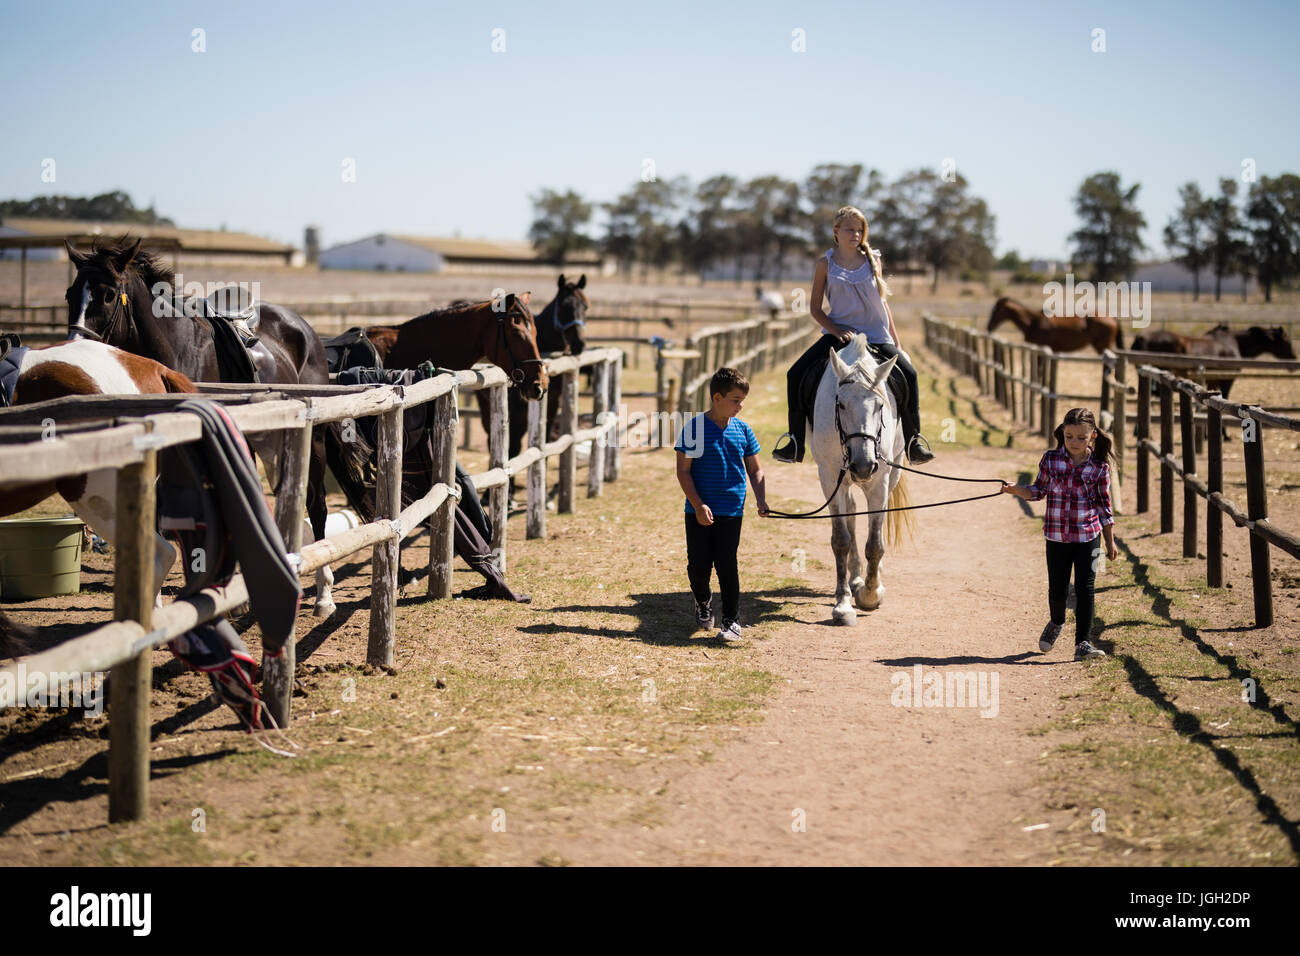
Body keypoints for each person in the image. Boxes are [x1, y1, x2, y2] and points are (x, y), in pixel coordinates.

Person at [772, 205, 934, 465]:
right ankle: (794, 440)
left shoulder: (873, 260)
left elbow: (883, 304)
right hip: (839, 335)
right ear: (836, 231)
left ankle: (914, 441)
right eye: (850, 229)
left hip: (876, 336)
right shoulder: (824, 264)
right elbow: (814, 308)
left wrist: (896, 341)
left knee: (910, 374)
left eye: (860, 230)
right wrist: (836, 330)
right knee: (795, 373)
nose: (856, 235)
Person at [1001, 407, 1119, 659]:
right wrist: (1016, 490)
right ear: (1062, 434)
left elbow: (1104, 506)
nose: (1074, 442)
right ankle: (1056, 622)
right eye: (1069, 436)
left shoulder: (1100, 468)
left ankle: (1083, 644)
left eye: (1081, 437)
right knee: (1057, 590)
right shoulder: (1051, 459)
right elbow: (1038, 490)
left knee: (1086, 588)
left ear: (1093, 437)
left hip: (1089, 535)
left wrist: (1110, 541)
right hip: (1056, 536)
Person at [674, 366, 769, 642]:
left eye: (742, 401)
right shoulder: (694, 429)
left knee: (727, 564)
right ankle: (703, 602)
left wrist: (761, 499)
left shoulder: (743, 431)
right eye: (735, 400)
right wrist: (698, 504)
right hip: (698, 510)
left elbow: (755, 470)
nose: (740, 407)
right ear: (717, 398)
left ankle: (731, 621)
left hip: (731, 509)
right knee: (698, 566)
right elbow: (683, 471)